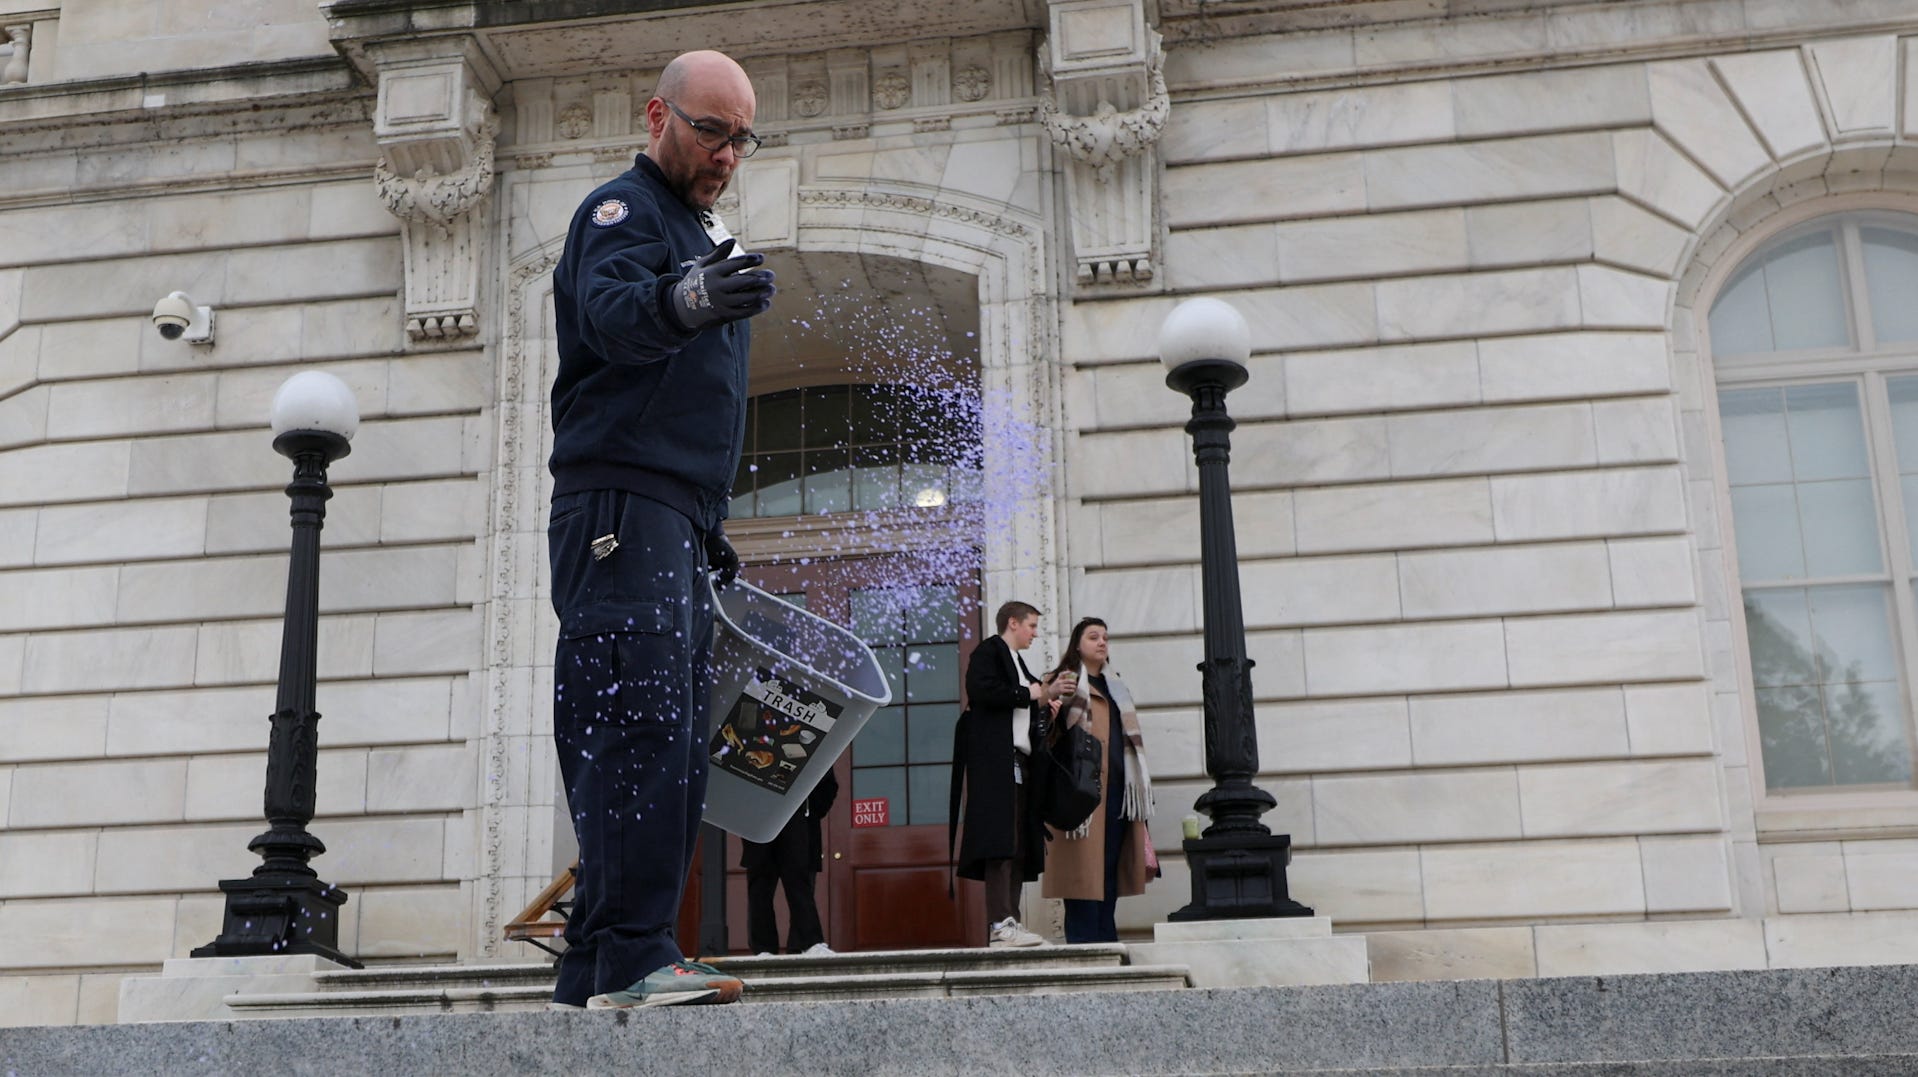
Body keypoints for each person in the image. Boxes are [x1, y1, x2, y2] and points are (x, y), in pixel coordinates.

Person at [544, 49, 776, 1011]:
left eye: (742, 139)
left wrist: (705, 521)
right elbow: (610, 317)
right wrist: (688, 299)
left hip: (668, 514)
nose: (726, 154)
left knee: (672, 740)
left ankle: (595, 969)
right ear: (657, 116)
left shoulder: (701, 227)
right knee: (635, 725)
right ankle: (635, 954)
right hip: (619, 508)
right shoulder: (623, 210)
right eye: (711, 130)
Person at [948, 601, 1076, 948]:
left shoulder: (1017, 661)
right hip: (996, 764)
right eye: (1031, 625)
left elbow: (1021, 707)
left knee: (1018, 845)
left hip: (1020, 764)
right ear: (1013, 623)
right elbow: (981, 691)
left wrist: (1047, 699)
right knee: (1000, 843)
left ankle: (1011, 923)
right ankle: (1000, 923)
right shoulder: (989, 651)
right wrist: (1029, 693)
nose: (1035, 633)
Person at [1040, 618, 1157, 943]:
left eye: (1105, 637)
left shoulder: (1117, 688)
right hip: (1079, 797)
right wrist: (1051, 699)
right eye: (1093, 637)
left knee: (1108, 874)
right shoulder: (1061, 681)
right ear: (1077, 645)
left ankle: (1107, 945)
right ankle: (1085, 951)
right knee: (1081, 880)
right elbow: (1041, 733)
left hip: (1118, 794)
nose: (1102, 642)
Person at [742, 769, 838, 956]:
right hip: (758, 814)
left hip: (798, 813)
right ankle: (763, 949)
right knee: (760, 883)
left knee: (799, 880)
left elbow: (827, 783)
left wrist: (809, 811)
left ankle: (808, 943)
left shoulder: (813, 748)